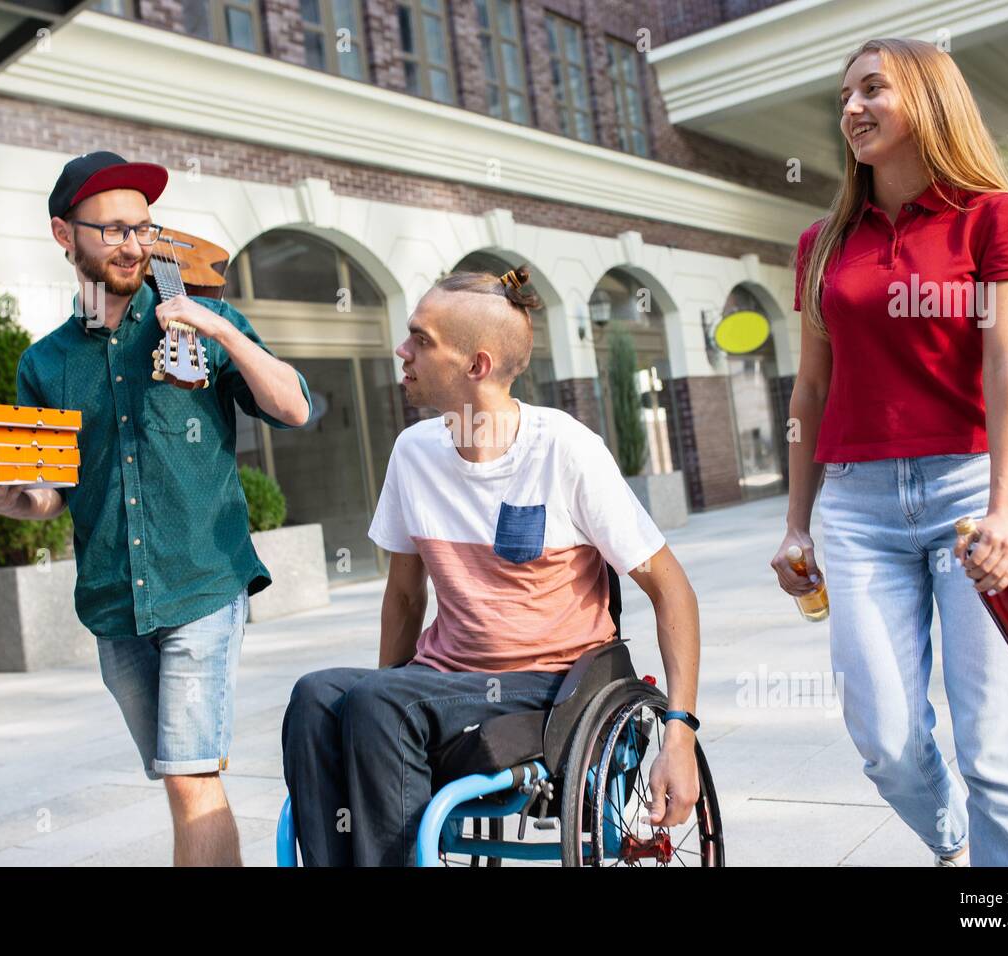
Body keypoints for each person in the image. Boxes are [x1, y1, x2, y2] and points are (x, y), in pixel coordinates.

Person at [0, 151, 311, 866]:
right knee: (182, 779)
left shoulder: (201, 320)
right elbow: (47, 496)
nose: (132, 244)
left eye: (141, 227)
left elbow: (294, 405)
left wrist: (222, 330)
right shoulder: (44, 364)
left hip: (201, 580)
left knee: (189, 778)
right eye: (110, 231)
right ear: (63, 235)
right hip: (114, 602)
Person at [281, 264, 703, 865]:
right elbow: (404, 597)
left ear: (475, 365)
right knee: (316, 695)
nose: (401, 351)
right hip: (445, 678)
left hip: (551, 685)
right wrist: (380, 697)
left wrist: (680, 735)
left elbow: (672, 591)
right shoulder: (413, 453)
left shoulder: (565, 450)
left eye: (421, 340)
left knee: (383, 704)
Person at [770, 38, 1008, 867]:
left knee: (994, 746)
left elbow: (1007, 369)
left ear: (928, 98)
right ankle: (950, 840)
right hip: (856, 506)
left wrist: (1007, 510)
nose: (851, 109)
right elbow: (810, 394)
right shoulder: (823, 242)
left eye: (871, 90)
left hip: (974, 491)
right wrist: (797, 525)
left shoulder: (994, 215)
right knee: (885, 738)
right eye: (843, 98)